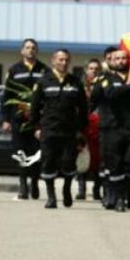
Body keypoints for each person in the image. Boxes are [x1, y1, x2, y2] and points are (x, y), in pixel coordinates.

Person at [30, 49, 87, 209]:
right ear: (53, 61)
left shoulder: (75, 82)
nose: (64, 63)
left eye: (66, 60)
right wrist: (36, 127)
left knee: (69, 163)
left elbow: (83, 108)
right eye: (60, 60)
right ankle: (51, 196)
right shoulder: (43, 81)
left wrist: (81, 129)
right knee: (48, 162)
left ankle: (67, 189)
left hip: (69, 131)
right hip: (49, 130)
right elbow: (34, 108)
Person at [98, 48, 130, 213]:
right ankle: (119, 197)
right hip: (113, 128)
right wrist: (127, 85)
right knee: (116, 165)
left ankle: (129, 191)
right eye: (118, 59)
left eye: (124, 58)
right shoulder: (106, 78)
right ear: (112, 61)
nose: (121, 61)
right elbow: (111, 94)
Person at [1, 38, 48, 200]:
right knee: (20, 152)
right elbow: (7, 95)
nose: (30, 50)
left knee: (36, 152)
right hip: (18, 118)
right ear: (22, 51)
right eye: (27, 48)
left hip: (37, 119)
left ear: (37, 51)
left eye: (33, 48)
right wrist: (6, 118)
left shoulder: (43, 70)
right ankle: (23, 186)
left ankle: (34, 183)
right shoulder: (14, 70)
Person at [77, 58, 102, 201]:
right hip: (84, 125)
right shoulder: (80, 86)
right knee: (82, 156)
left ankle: (97, 190)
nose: (94, 71)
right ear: (86, 70)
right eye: (91, 68)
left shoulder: (103, 84)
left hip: (99, 126)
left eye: (96, 68)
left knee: (98, 159)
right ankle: (81, 189)